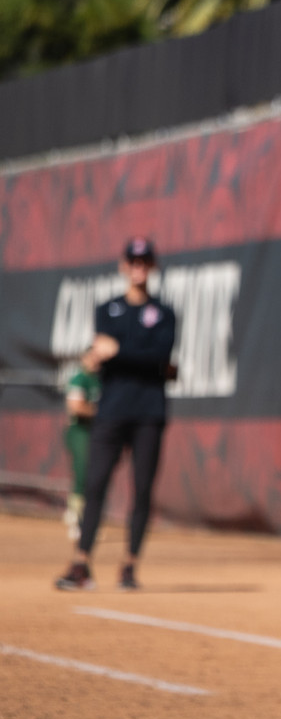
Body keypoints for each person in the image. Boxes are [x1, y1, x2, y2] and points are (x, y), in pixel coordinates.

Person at [56, 237, 176, 593]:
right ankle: (81, 563)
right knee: (94, 485)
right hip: (111, 411)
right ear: (124, 265)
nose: (138, 266)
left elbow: (160, 358)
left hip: (149, 413)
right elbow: (109, 355)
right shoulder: (107, 309)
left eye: (144, 261)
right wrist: (128, 356)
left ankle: (129, 566)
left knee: (142, 491)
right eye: (133, 261)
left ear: (152, 266)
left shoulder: (164, 314)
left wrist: (118, 352)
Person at [61, 360, 101, 542]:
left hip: (98, 433)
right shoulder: (79, 379)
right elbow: (76, 406)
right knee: (82, 474)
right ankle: (77, 521)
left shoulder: (103, 379)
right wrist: (100, 412)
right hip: (80, 432)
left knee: (97, 477)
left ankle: (86, 520)